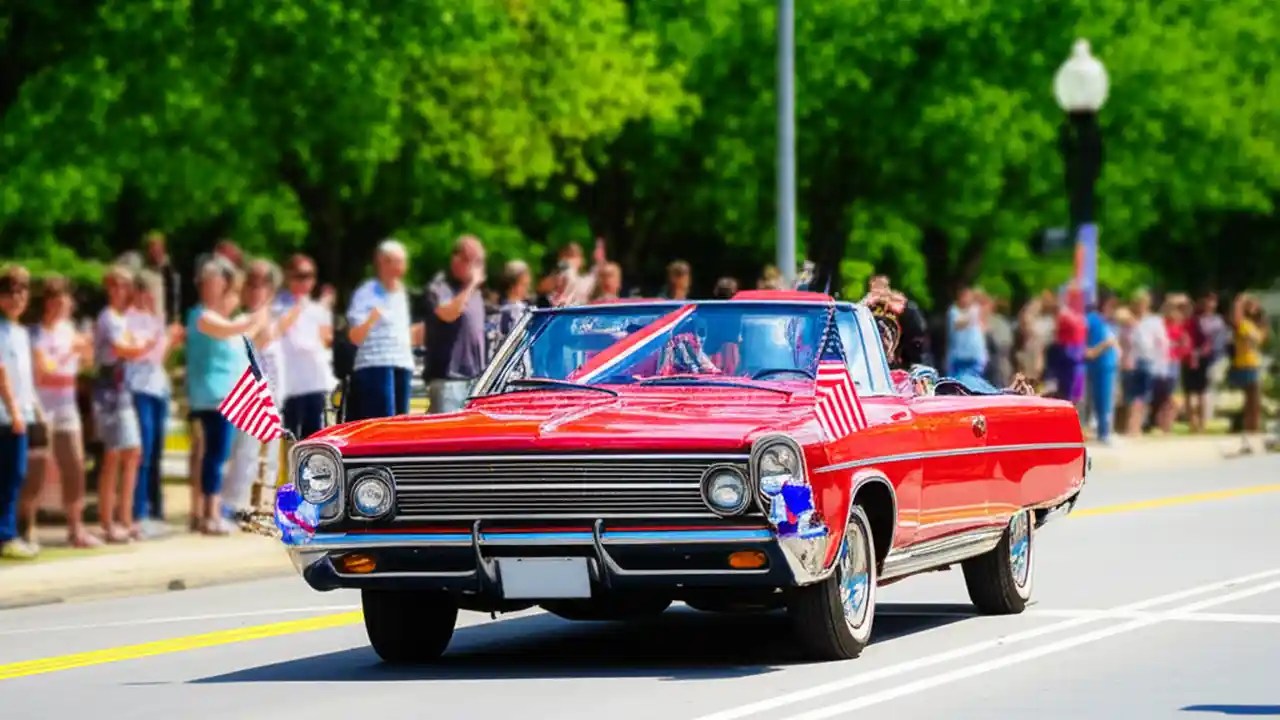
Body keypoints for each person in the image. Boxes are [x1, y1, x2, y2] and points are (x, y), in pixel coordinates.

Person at [187, 257, 267, 535]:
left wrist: (259, 318)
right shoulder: (201, 315)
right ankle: (209, 514)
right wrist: (253, 316)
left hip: (224, 397)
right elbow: (232, 330)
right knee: (214, 456)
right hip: (211, 398)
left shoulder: (221, 319)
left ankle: (210, 511)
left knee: (218, 456)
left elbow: (246, 335)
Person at [19, 276, 98, 548]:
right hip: (42, 408)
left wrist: (85, 350)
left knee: (75, 465)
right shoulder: (36, 334)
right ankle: (27, 526)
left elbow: (87, 362)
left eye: (65, 298)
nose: (63, 304)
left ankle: (76, 528)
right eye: (57, 299)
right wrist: (70, 353)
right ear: (48, 303)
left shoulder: (70, 330)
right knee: (36, 471)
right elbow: (44, 371)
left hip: (67, 406)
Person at [93, 265, 157, 543]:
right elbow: (124, 349)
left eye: (125, 285)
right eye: (115, 285)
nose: (121, 290)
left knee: (133, 452)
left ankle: (126, 518)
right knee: (113, 456)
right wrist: (147, 344)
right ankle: (108, 523)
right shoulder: (108, 317)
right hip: (108, 393)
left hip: (123, 390)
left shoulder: (124, 318)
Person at [225, 260, 290, 519]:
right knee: (246, 451)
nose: (256, 291)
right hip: (249, 392)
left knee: (272, 454)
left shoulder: (278, 319)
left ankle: (264, 503)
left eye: (263, 285)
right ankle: (235, 502)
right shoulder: (240, 319)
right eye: (251, 285)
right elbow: (259, 338)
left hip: (275, 391)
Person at [125, 270, 180, 536]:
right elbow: (146, 354)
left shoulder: (155, 320)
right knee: (143, 453)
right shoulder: (129, 320)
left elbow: (159, 357)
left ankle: (156, 510)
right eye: (149, 291)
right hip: (139, 389)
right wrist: (167, 338)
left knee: (156, 452)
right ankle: (139, 512)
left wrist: (167, 337)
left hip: (158, 389)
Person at [347, 240, 420, 420]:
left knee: (400, 423)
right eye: (398, 261)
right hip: (375, 365)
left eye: (403, 261)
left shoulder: (402, 293)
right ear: (383, 262)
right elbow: (354, 336)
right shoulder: (366, 293)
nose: (403, 267)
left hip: (402, 363)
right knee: (382, 422)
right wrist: (371, 319)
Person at [0, 265, 40, 559]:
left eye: (22, 292)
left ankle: (10, 531)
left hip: (21, 414)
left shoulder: (21, 332)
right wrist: (13, 410)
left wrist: (32, 407)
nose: (17, 298)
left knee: (16, 474)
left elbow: (24, 376)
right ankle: (6, 534)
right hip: (5, 416)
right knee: (10, 474)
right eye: (11, 292)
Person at [423, 236, 487, 415]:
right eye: (473, 261)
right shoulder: (440, 287)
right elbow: (448, 314)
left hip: (475, 379)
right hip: (448, 380)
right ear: (457, 260)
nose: (478, 268)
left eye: (480, 262)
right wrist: (472, 284)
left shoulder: (475, 292)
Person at [276, 254, 334, 439]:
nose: (305, 282)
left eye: (309, 276)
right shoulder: (278, 304)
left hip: (314, 381)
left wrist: (323, 310)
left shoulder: (318, 309)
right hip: (289, 384)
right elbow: (280, 330)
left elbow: (325, 341)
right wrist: (301, 305)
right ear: (288, 276)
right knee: (290, 435)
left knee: (313, 434)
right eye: (299, 276)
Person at [862, 275, 930, 369]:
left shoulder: (904, 308)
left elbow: (917, 340)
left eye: (882, 286)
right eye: (875, 287)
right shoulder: (864, 308)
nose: (879, 292)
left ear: (889, 288)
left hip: (900, 364)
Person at [1124, 289, 1168, 435]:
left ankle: (1136, 426)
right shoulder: (1128, 320)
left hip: (1148, 361)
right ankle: (1131, 426)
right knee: (1131, 396)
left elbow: (1161, 342)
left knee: (1142, 396)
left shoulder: (1154, 321)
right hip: (1132, 361)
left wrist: (1161, 364)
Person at [1229, 294, 1268, 450]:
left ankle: (1254, 428)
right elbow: (1236, 318)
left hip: (1254, 364)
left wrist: (1259, 312)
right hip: (1244, 365)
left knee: (1255, 400)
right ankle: (1250, 428)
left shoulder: (1255, 327)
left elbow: (1262, 337)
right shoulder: (1243, 324)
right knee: (1251, 398)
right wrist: (1240, 301)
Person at [1084, 290, 1120, 444]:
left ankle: (1104, 430)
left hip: (1107, 365)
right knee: (1100, 399)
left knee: (1106, 399)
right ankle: (1103, 432)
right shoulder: (1092, 320)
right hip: (1098, 366)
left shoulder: (1105, 321)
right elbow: (1087, 345)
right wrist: (1104, 346)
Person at [946, 286, 987, 378]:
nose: (966, 299)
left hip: (974, 357)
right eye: (964, 296)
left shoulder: (976, 309)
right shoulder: (954, 311)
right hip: (958, 358)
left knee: (975, 384)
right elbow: (959, 323)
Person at [143, 231, 182, 325]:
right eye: (153, 249)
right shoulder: (144, 274)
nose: (156, 252)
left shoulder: (171, 272)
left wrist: (175, 320)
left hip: (168, 320)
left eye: (159, 248)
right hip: (149, 320)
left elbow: (175, 297)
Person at [497, 260, 531, 339]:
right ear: (512, 286)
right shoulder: (512, 311)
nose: (528, 288)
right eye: (524, 285)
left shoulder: (522, 307)